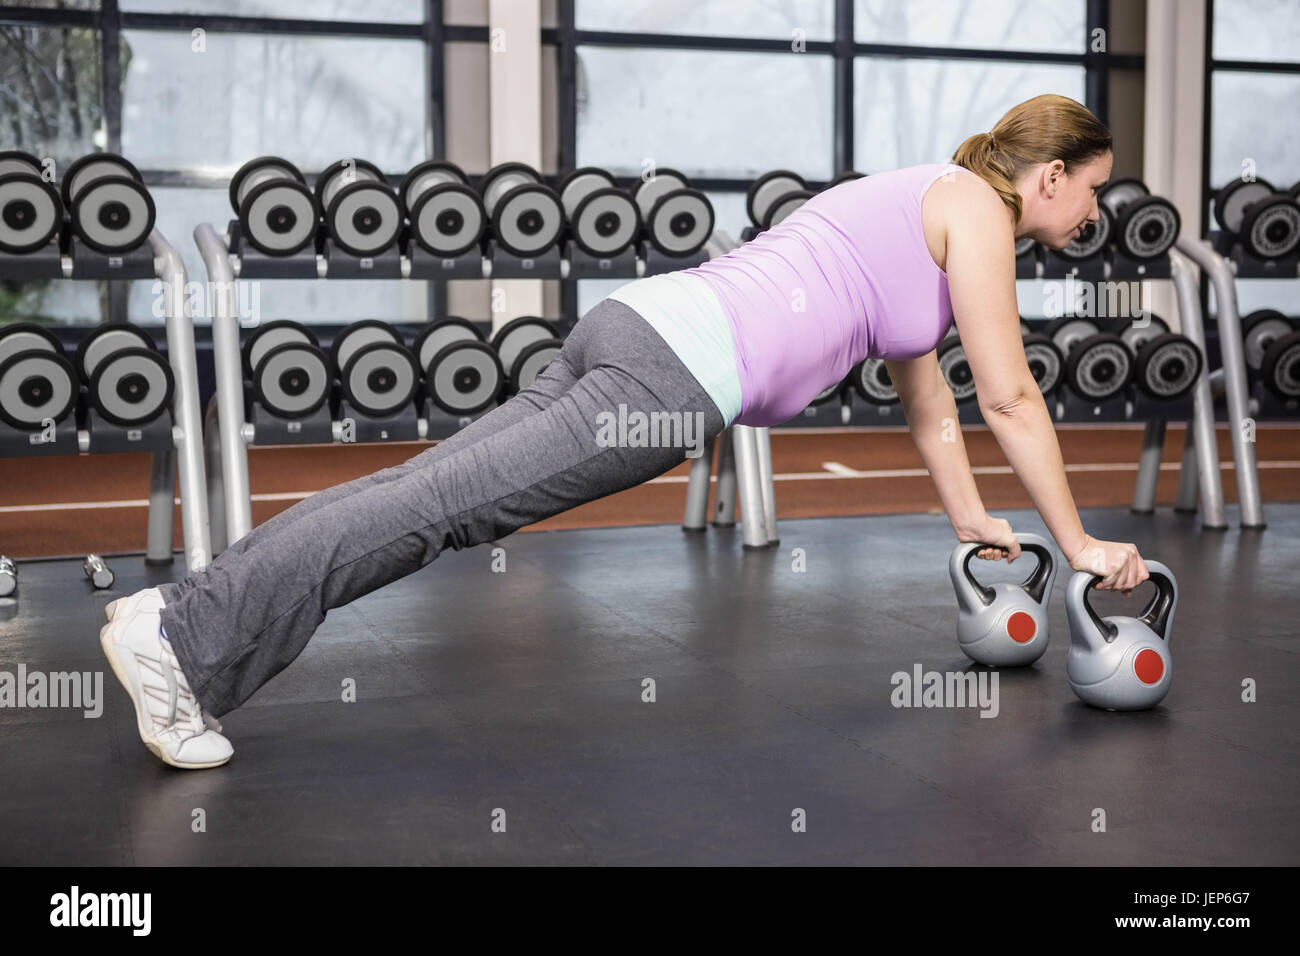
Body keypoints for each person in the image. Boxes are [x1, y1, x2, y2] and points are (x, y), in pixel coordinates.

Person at [100, 93, 1150, 770]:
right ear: (1046, 175)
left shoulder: (925, 199)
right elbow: (1009, 396)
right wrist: (1083, 540)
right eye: (1092, 195)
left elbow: (932, 399)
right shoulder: (975, 206)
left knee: (414, 491)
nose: (1092, 219)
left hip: (636, 323)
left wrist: (974, 520)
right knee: (426, 512)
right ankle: (180, 643)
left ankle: (180, 619)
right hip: (666, 374)